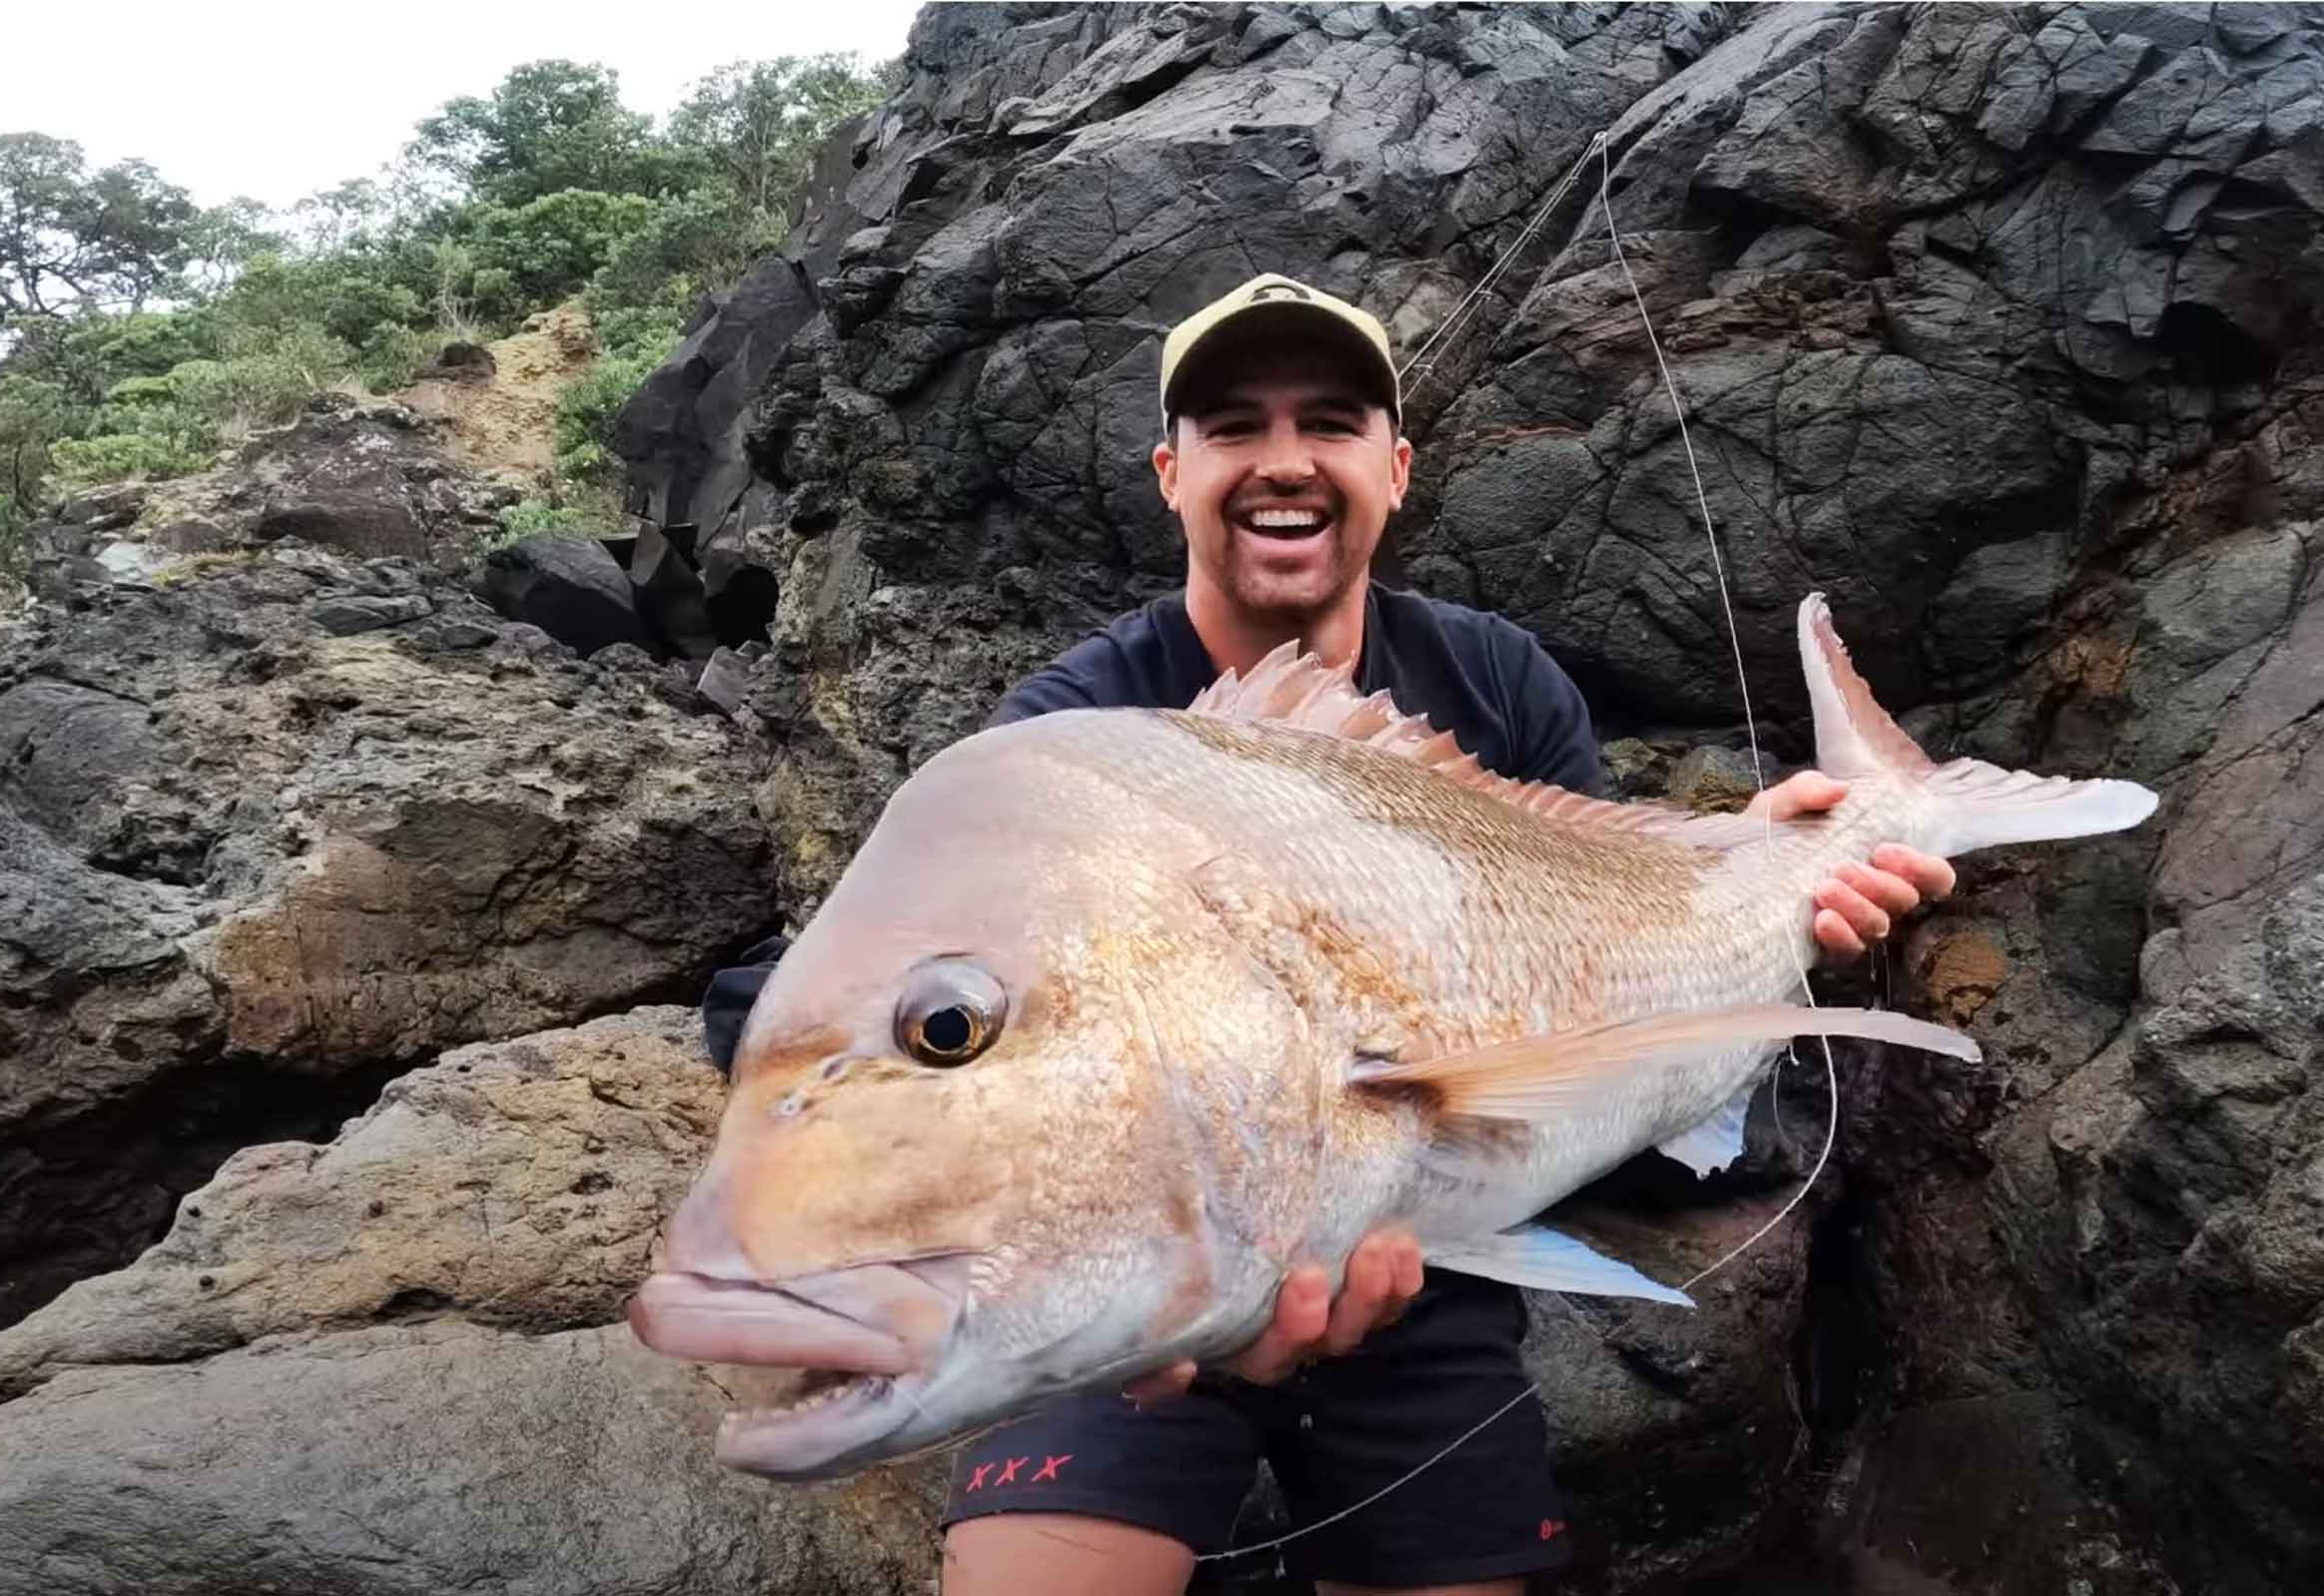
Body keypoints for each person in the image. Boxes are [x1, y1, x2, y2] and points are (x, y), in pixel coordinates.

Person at [700, 272, 1956, 1596]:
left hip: (1425, 1262)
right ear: (1170, 473)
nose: (1283, 463)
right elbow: (860, 1010)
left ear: (1397, 467)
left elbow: (1620, 908)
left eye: (1333, 423)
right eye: (1234, 427)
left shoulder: (1503, 681)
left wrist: (1771, 862)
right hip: (1132, 1275)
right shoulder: (1069, 736)